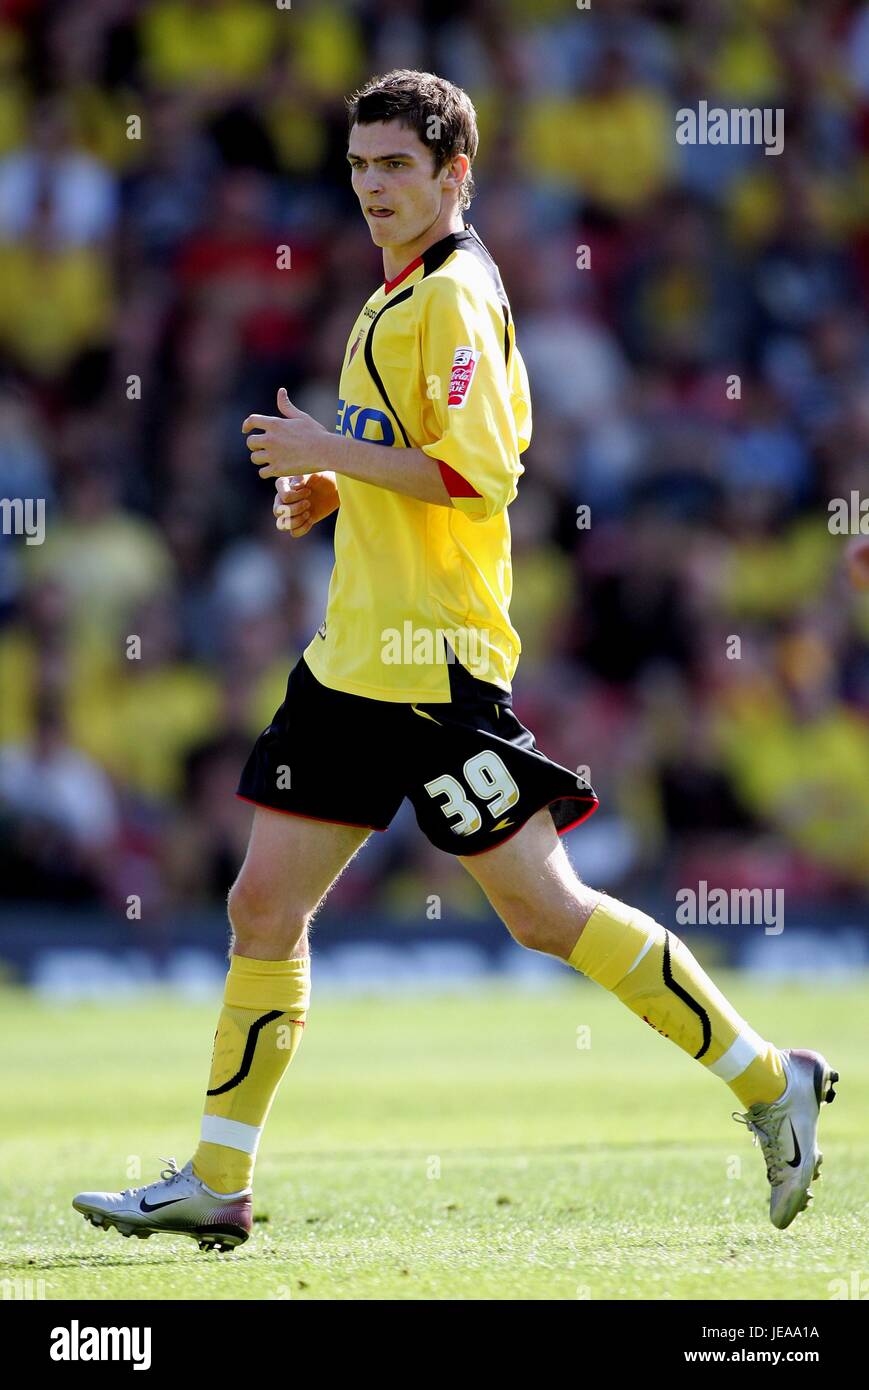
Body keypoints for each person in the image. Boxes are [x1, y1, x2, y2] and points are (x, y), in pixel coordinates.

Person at [73, 69, 837, 1251]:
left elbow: (479, 472)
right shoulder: (392, 295)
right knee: (260, 905)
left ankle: (763, 1079)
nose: (372, 187)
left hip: (430, 672)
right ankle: (217, 1183)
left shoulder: (453, 296)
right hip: (350, 666)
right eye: (360, 166)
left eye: (396, 167)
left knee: (544, 911)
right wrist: (335, 483)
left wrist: (332, 445)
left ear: (451, 174)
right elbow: (409, 453)